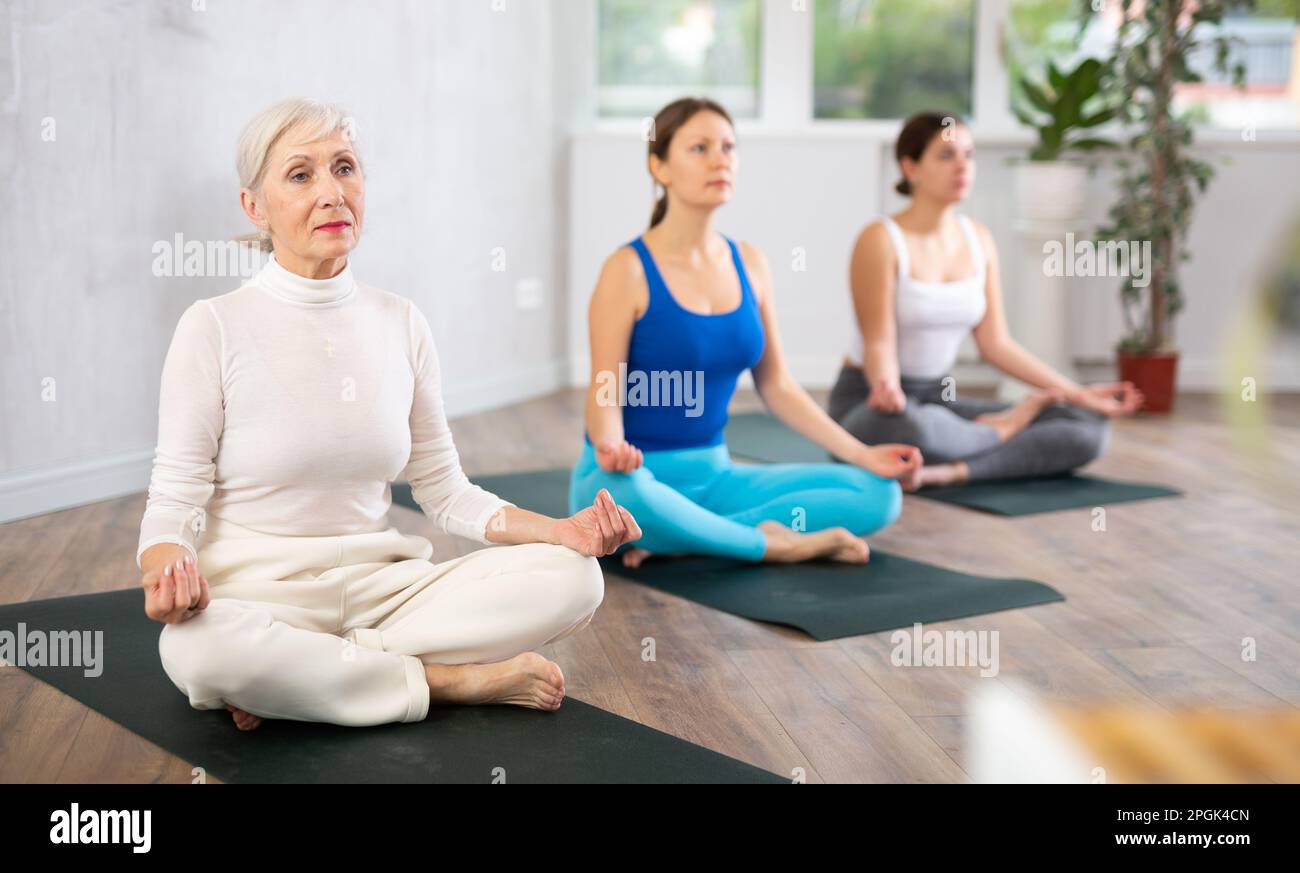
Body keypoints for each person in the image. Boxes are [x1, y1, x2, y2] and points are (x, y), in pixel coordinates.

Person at [138, 97, 641, 731]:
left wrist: (563, 533)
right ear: (254, 207)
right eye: (301, 175)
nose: (332, 193)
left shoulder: (401, 321)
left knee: (576, 580)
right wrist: (165, 573)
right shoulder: (212, 326)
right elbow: (175, 496)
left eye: (344, 168)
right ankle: (446, 682)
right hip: (262, 601)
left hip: (389, 595)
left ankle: (310, 675)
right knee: (196, 649)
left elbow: (445, 491)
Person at [570, 97, 920, 569]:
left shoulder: (751, 264)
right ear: (660, 167)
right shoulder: (626, 269)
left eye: (729, 147)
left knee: (878, 494)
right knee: (624, 498)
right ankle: (772, 544)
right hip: (628, 480)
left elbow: (777, 385)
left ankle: (688, 535)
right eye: (700, 148)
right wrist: (612, 448)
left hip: (715, 478)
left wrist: (862, 454)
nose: (720, 160)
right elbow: (605, 390)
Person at [829, 111, 1143, 488]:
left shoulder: (978, 239)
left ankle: (948, 472)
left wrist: (1078, 395)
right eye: (946, 156)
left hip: (938, 399)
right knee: (918, 430)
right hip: (872, 402)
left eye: (969, 155)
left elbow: (996, 344)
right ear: (910, 167)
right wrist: (888, 387)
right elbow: (878, 340)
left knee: (1088, 427)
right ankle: (1003, 431)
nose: (962, 166)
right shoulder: (880, 239)